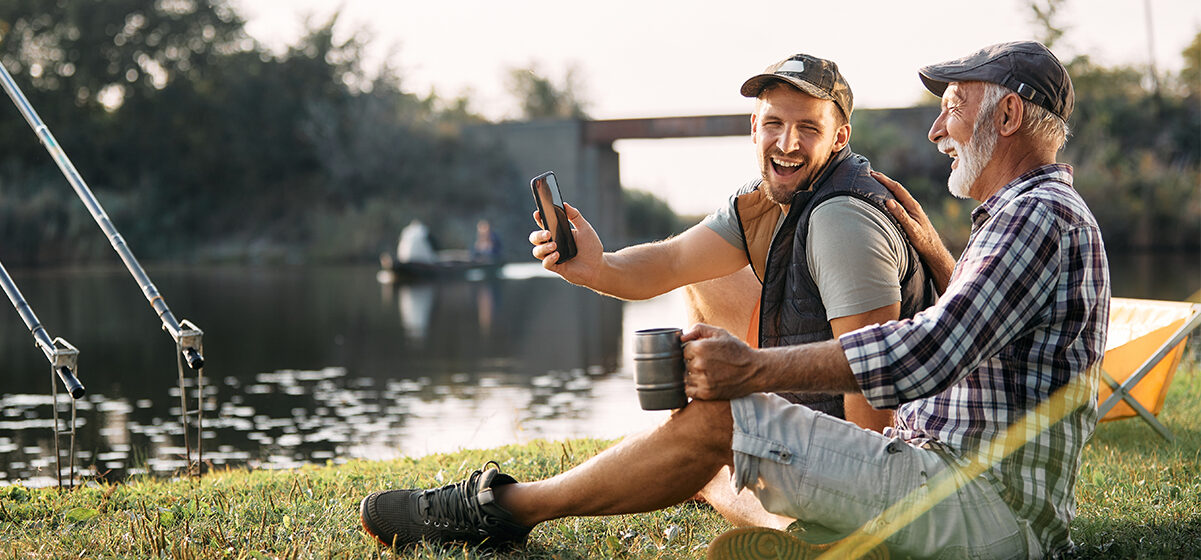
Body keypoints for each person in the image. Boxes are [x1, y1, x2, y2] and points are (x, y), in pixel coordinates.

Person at [359, 40, 1107, 559]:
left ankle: (498, 511)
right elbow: (981, 335)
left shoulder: (1029, 216)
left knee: (721, 420)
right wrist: (591, 263)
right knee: (712, 444)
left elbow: (920, 355)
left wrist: (752, 371)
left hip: (986, 513)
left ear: (1006, 118)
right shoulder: (1024, 214)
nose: (938, 125)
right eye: (771, 123)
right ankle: (805, 523)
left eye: (954, 105)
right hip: (953, 480)